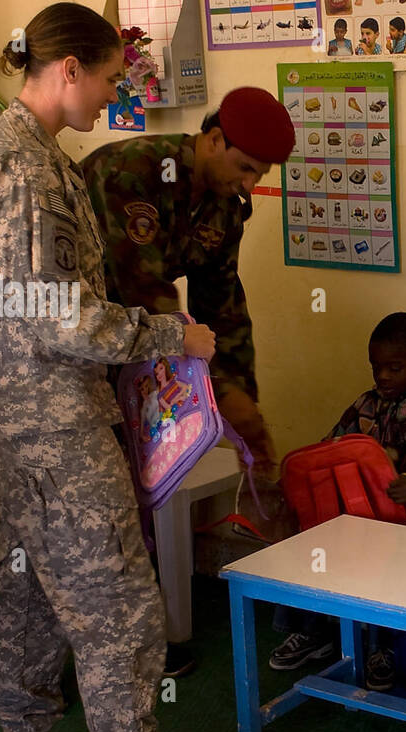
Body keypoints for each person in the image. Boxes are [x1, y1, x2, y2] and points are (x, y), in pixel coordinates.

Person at [0, 2, 228, 732]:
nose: (117, 94)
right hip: (58, 421)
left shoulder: (4, 147)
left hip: (19, 418)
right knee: (118, 606)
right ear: (68, 68)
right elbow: (59, 319)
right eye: (112, 76)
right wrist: (166, 337)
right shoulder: (30, 171)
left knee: (31, 592)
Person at [82, 86, 292, 676]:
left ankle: (141, 638)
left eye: (262, 173)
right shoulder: (135, 173)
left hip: (137, 349)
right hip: (76, 347)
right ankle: (105, 651)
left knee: (143, 491)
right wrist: (214, 392)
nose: (251, 183)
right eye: (246, 167)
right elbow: (147, 294)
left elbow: (222, 304)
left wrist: (242, 397)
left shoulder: (225, 206)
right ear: (214, 139)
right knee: (100, 503)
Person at [269, 312, 406, 689]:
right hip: (353, 514)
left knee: (393, 579)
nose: (384, 377)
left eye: (395, 367)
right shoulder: (365, 404)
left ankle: (385, 647)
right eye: (377, 368)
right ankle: (316, 634)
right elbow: (331, 447)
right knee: (313, 551)